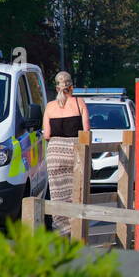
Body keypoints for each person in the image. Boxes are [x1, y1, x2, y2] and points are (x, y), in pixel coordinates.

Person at [42, 71, 90, 235]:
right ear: (72, 88)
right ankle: (75, 228)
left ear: (57, 88)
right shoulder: (79, 103)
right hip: (75, 152)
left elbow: (47, 135)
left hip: (55, 153)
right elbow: (86, 133)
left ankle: (60, 231)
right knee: (76, 193)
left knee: (57, 194)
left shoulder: (49, 107)